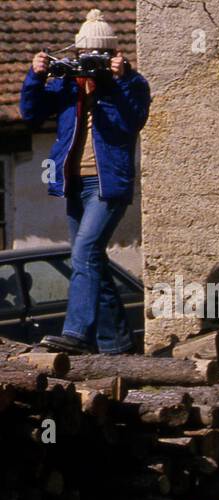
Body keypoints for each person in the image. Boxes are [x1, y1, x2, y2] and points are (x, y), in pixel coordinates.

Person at [20, 9, 150, 355]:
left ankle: (76, 334)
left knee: (85, 252)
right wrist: (36, 77)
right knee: (91, 260)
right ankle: (118, 345)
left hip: (108, 187)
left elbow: (131, 123)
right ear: (75, 54)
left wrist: (119, 83)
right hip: (76, 184)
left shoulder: (131, 84)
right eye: (84, 56)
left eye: (98, 56)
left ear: (112, 55)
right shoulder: (67, 84)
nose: (90, 62)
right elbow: (31, 115)